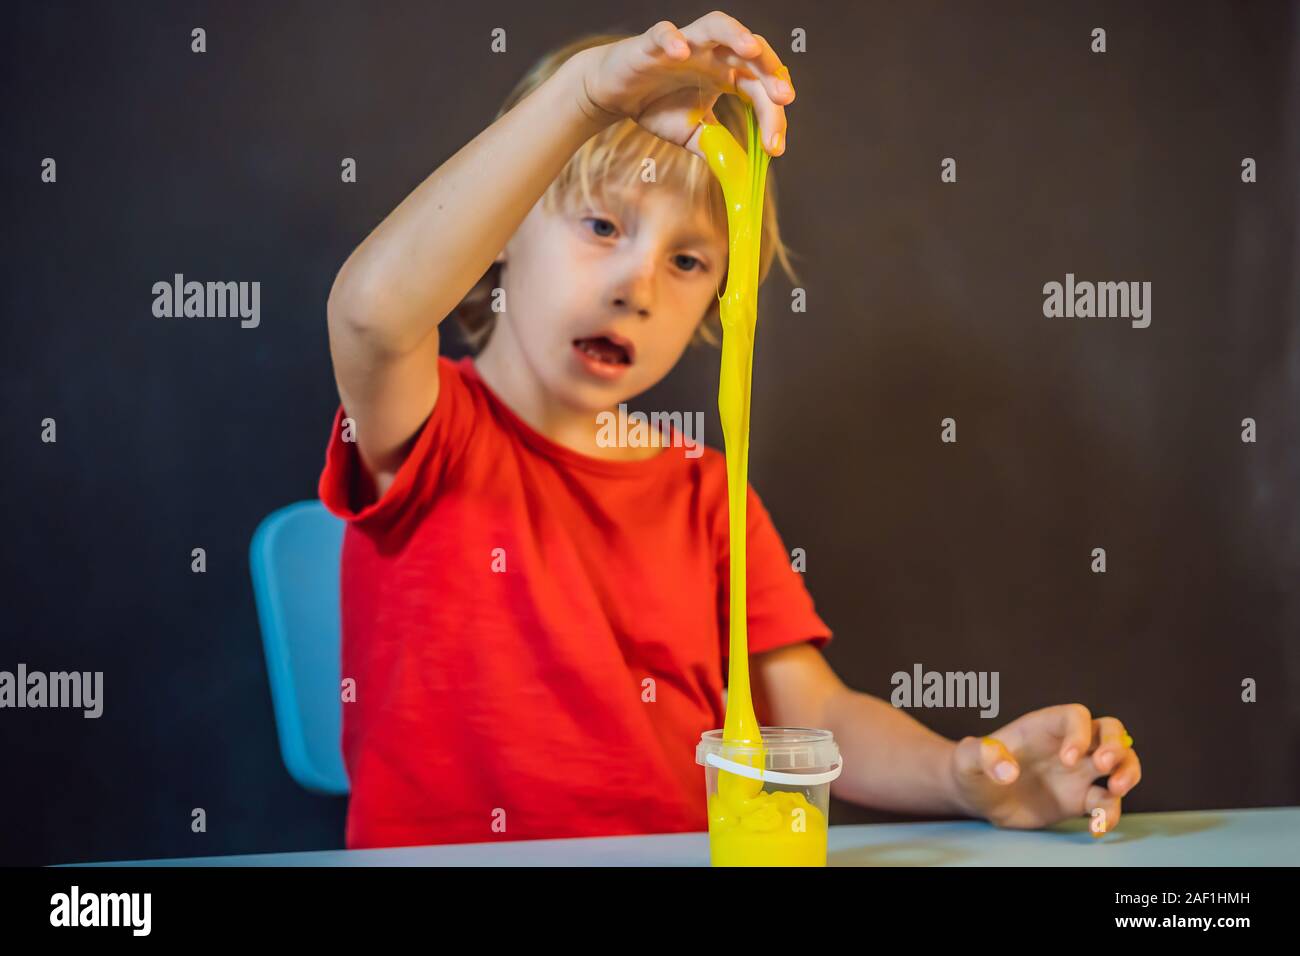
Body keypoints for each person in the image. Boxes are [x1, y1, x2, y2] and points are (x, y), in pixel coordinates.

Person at [320, 11, 1141, 849]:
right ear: (497, 237)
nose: (636, 286)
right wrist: (584, 97)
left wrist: (969, 778)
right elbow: (370, 318)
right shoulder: (435, 430)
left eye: (688, 262)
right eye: (601, 225)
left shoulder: (705, 492)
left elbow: (814, 713)